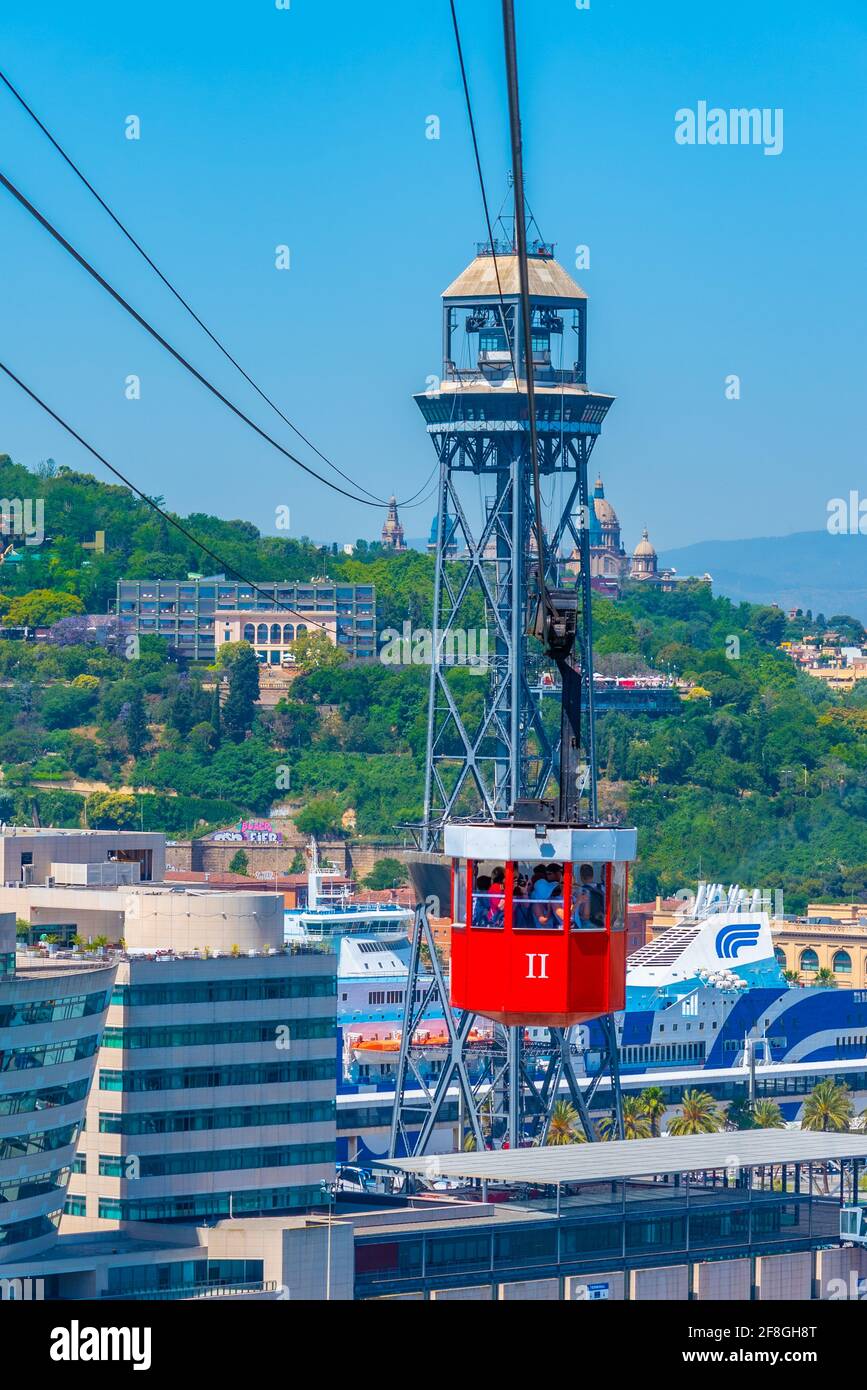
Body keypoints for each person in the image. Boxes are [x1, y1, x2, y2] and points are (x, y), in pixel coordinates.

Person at [574, 863, 605, 928]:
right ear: (593, 875)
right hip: (601, 923)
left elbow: (585, 915)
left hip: (587, 924)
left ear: (581, 876)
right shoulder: (602, 888)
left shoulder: (581, 890)